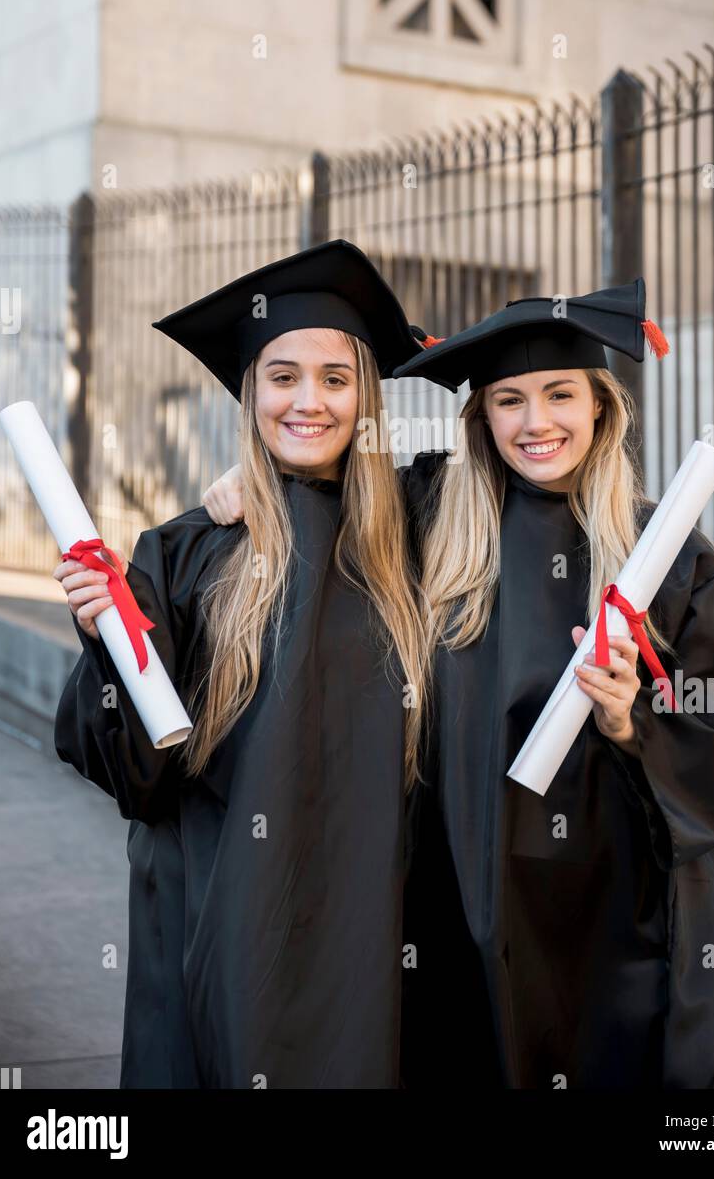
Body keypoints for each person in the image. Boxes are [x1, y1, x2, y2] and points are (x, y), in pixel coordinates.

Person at [204, 277, 714, 1090]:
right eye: (508, 401)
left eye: (559, 394)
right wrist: (242, 483)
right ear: (480, 417)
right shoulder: (428, 514)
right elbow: (319, 482)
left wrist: (628, 718)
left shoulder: (665, 555)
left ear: (599, 407)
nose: (536, 423)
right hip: (451, 887)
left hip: (607, 905)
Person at [53, 239, 432, 1089]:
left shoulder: (417, 541)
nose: (309, 401)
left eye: (336, 380)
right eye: (282, 376)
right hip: (216, 929)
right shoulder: (185, 552)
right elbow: (135, 779)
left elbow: (519, 452)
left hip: (371, 937)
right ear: (249, 393)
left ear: (365, 400)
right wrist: (107, 643)